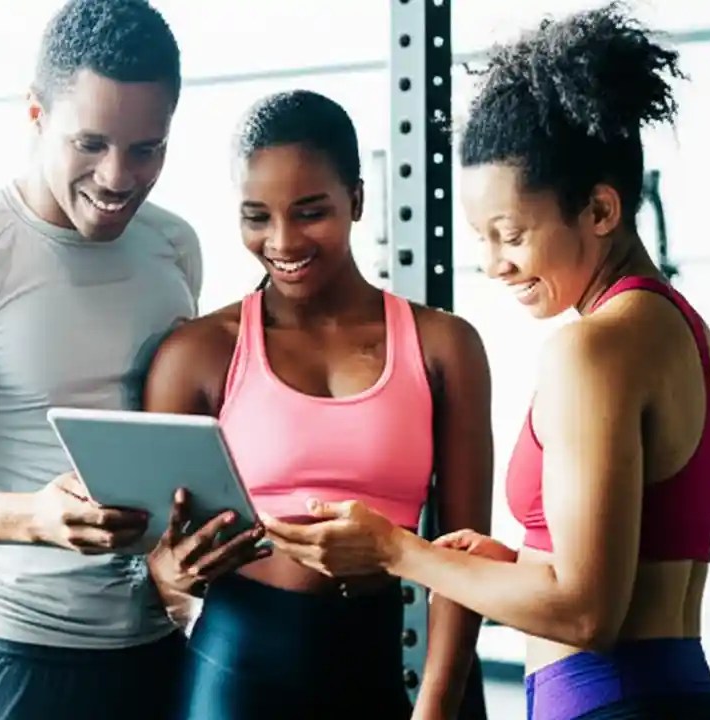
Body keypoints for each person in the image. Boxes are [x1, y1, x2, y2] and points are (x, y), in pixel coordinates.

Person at [260, 6, 710, 719]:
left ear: (601, 211)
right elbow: (628, 577)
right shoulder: (681, 330)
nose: (491, 264)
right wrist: (502, 565)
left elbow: (586, 615)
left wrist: (397, 551)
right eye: (479, 238)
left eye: (509, 234)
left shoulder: (592, 349)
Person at [0, 2, 262, 718]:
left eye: (146, 149)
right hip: (15, 650)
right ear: (35, 114)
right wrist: (30, 518)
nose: (117, 178)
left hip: (157, 641)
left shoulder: (174, 247)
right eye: (90, 143)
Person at [141, 89, 494, 720]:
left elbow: (467, 552)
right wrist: (166, 571)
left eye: (310, 212)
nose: (281, 240)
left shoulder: (444, 346)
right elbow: (154, 553)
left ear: (357, 199)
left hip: (380, 672)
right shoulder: (198, 354)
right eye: (257, 216)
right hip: (233, 678)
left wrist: (438, 699)